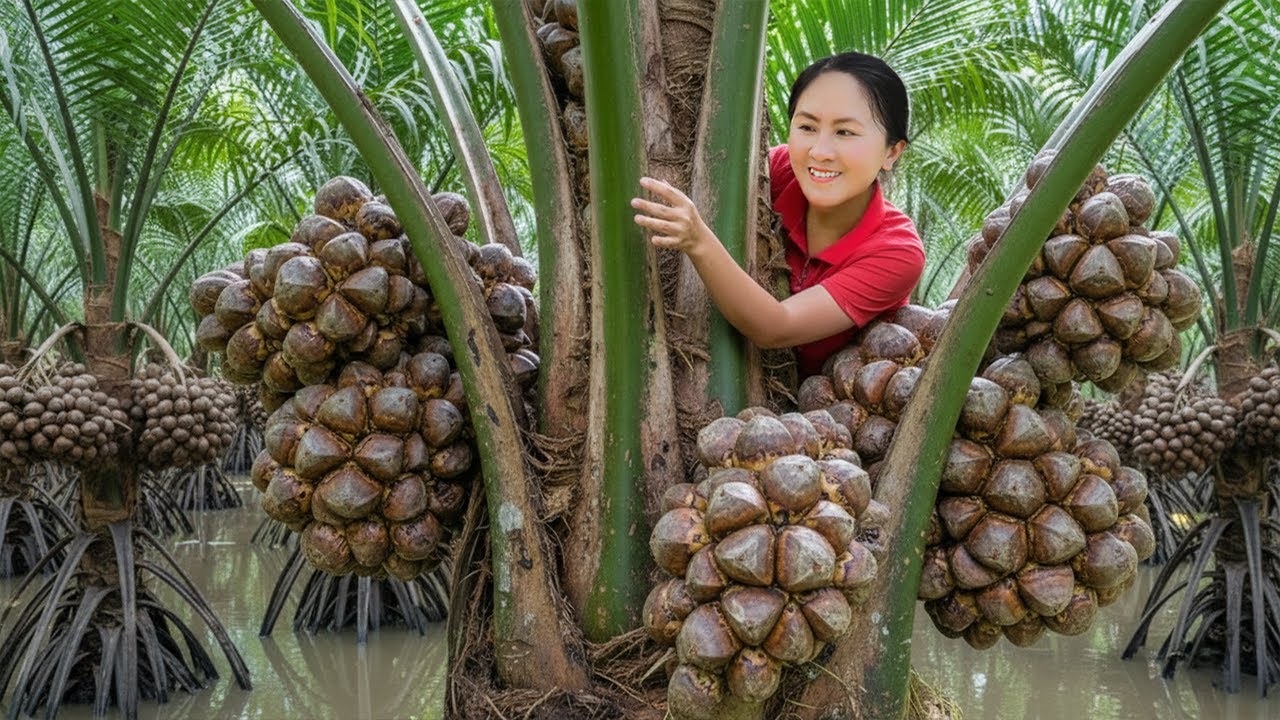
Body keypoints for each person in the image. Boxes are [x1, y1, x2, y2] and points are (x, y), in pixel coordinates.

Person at [631, 52, 924, 378]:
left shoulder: (897, 252)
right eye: (807, 126)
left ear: (892, 151)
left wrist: (698, 241)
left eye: (845, 132)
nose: (820, 152)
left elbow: (776, 327)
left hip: (818, 420)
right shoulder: (782, 170)